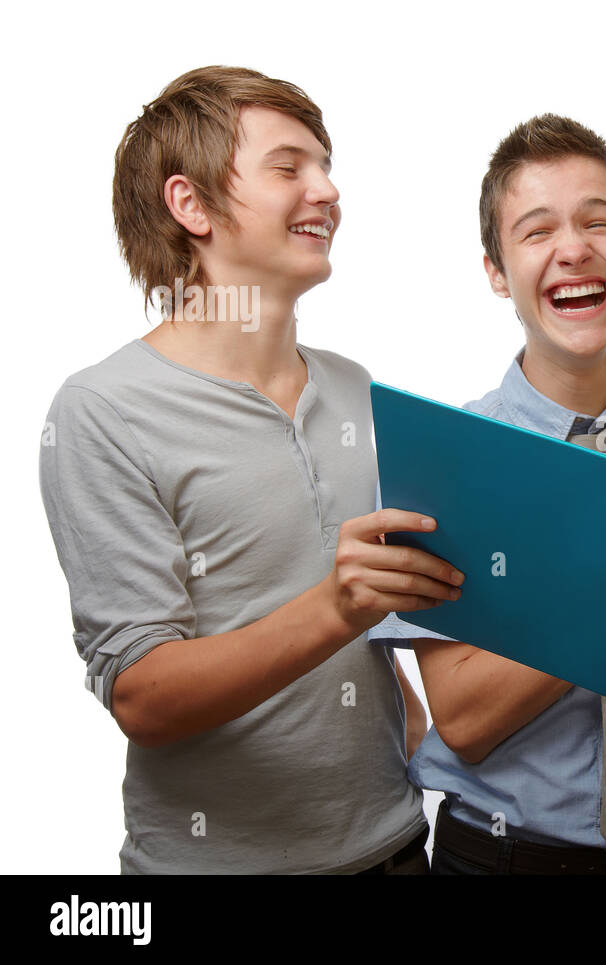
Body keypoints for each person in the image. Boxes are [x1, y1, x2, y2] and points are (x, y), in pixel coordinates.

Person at [39, 66, 464, 874]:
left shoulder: (354, 387)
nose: (327, 190)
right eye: (290, 167)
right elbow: (143, 694)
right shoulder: (101, 410)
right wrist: (335, 606)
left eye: (327, 166)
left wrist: (427, 745)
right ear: (190, 205)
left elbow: (363, 632)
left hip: (400, 848)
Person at [371, 113, 606, 874]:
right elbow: (467, 720)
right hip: (506, 856)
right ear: (497, 271)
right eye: (537, 231)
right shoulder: (447, 461)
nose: (574, 247)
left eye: (598, 222)